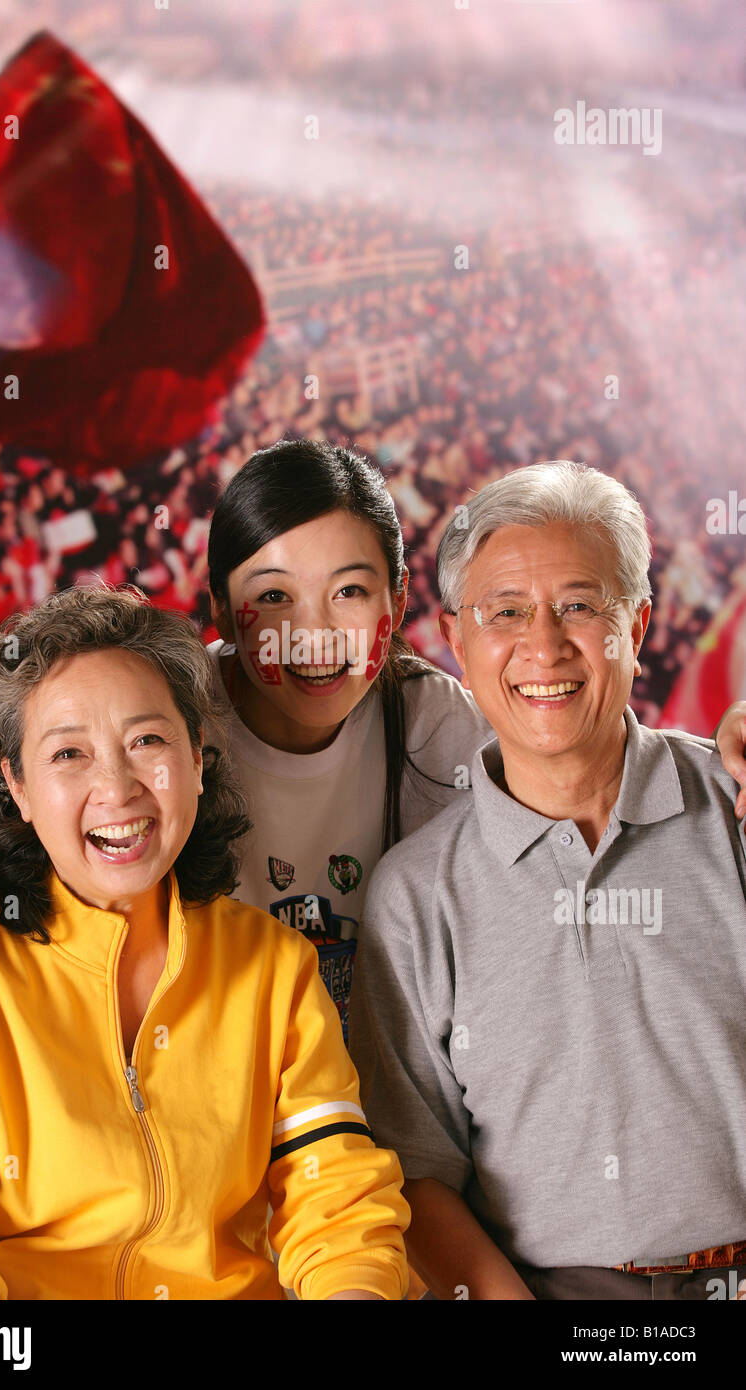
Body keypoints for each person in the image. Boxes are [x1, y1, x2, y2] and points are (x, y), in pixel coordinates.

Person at [0, 441, 746, 1041]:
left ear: (399, 607)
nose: (312, 636)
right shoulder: (159, 727)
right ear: (220, 614)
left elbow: (578, 727)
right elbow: (72, 817)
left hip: (372, 1130)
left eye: (347, 594)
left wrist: (727, 748)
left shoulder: (439, 721)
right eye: (272, 597)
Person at [0, 586, 409, 1300]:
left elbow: (338, 1207)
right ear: (20, 786)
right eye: (68, 753)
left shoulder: (274, 966)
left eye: (147, 741)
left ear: (196, 756)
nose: (116, 786)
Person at [349, 460, 746, 1301]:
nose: (544, 645)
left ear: (636, 626)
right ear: (455, 640)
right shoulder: (417, 899)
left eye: (579, 606)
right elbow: (415, 1173)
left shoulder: (736, 810)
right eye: (506, 613)